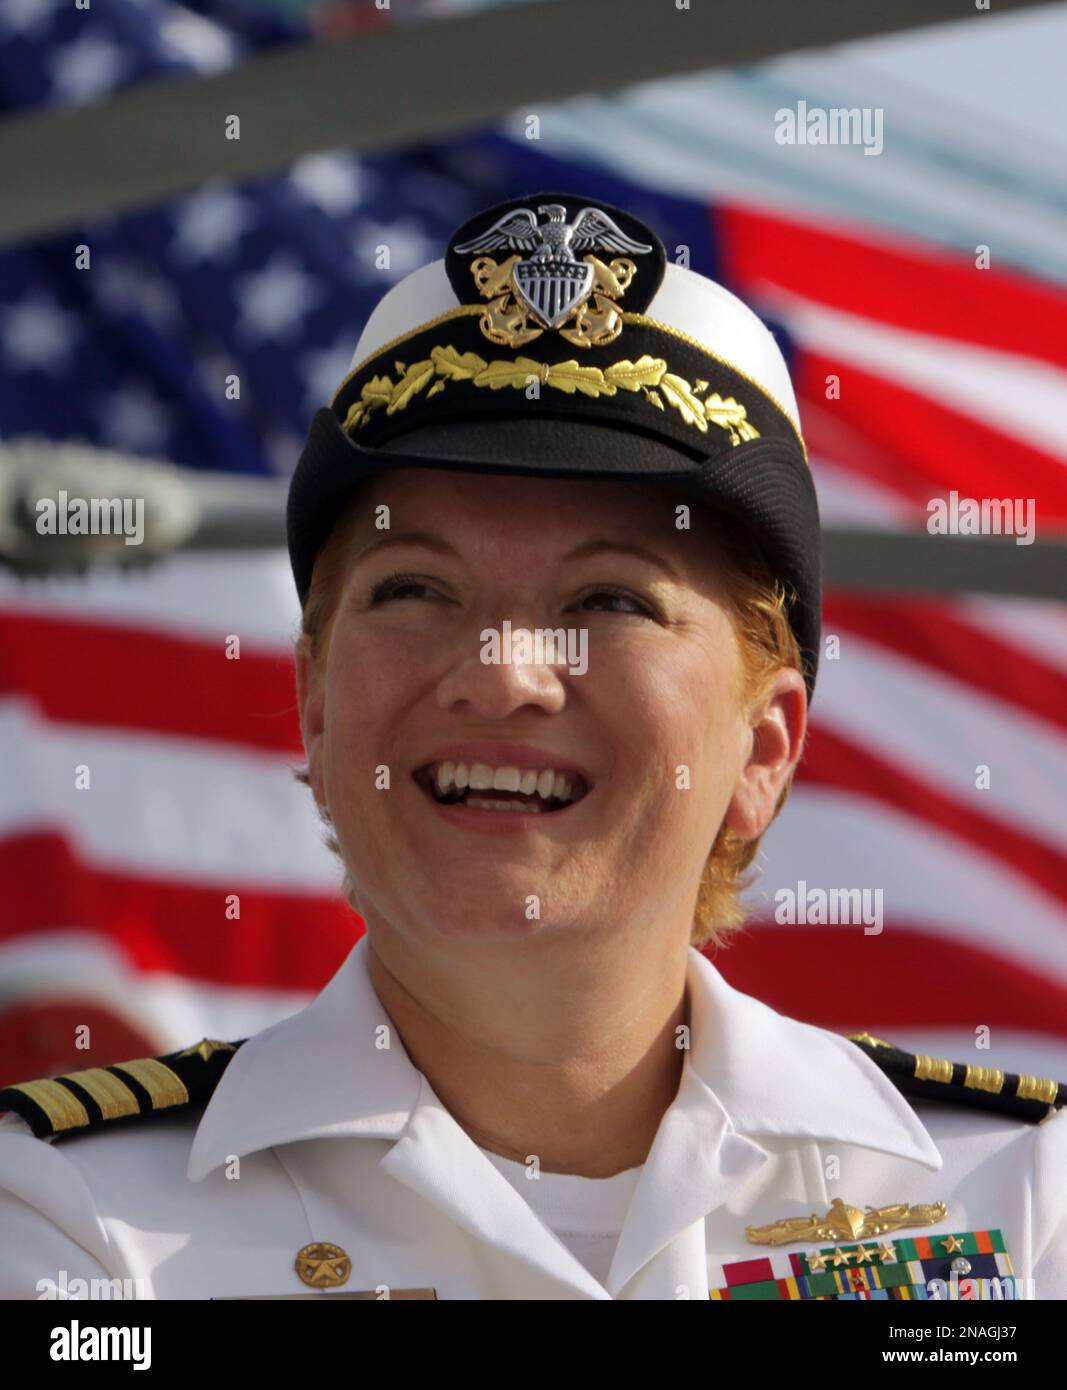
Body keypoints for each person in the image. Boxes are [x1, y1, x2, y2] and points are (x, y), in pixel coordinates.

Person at [1, 192, 1064, 1302]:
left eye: (607, 599)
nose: (501, 673)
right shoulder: (74, 1221)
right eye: (414, 588)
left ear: (763, 751)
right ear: (314, 710)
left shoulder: (1018, 1199)